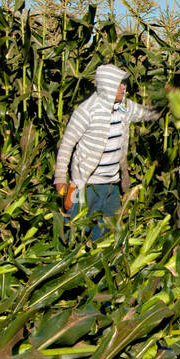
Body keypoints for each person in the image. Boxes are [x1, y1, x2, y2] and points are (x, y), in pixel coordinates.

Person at [53, 64, 161, 241]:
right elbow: (66, 145)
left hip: (111, 185)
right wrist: (60, 179)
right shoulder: (86, 111)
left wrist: (167, 109)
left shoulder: (123, 108)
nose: (123, 87)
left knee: (108, 235)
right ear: (107, 86)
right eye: (119, 84)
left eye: (124, 83)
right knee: (75, 232)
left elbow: (145, 114)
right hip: (86, 185)